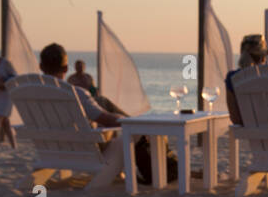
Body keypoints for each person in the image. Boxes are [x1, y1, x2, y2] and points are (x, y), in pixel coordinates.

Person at [38, 43, 176, 185]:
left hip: (53, 150)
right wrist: (127, 120)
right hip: (88, 150)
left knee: (102, 103)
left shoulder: (30, 95)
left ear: (40, 67)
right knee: (133, 128)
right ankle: (162, 171)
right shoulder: (76, 93)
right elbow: (108, 120)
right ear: (66, 68)